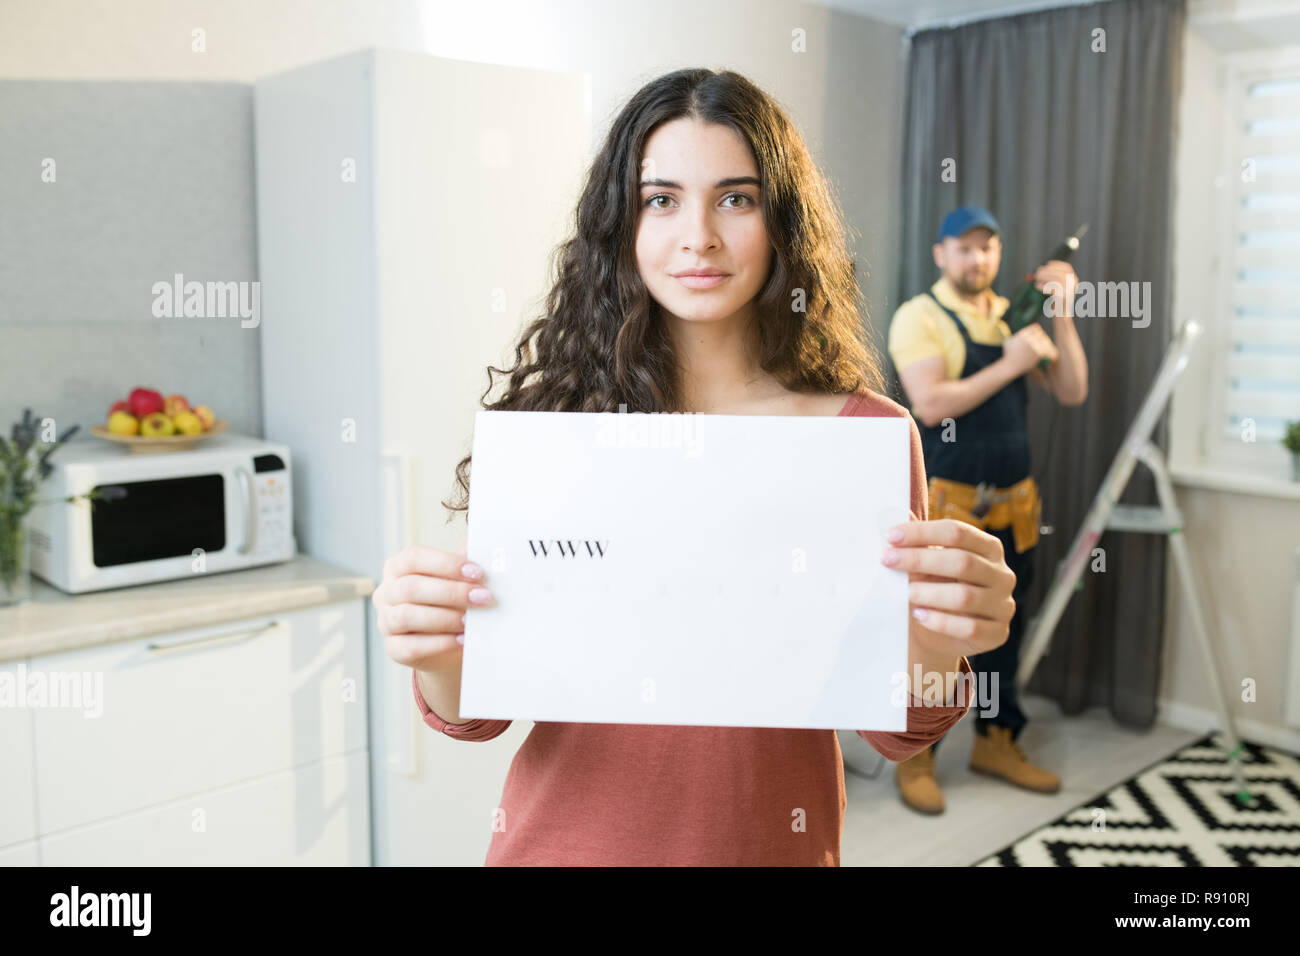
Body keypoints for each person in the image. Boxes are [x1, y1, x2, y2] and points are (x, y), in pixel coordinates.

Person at [373, 71, 1017, 865]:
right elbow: (476, 716)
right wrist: (437, 651)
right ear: (622, 224)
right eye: (661, 199)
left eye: (736, 199)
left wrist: (939, 640)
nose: (699, 236)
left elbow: (898, 729)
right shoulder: (558, 436)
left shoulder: (867, 440)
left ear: (781, 221)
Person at [886, 205, 1088, 815]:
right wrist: (1011, 364)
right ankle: (915, 756)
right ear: (940, 254)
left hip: (1014, 510)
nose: (978, 258)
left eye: (988, 248)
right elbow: (930, 404)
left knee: (1004, 633)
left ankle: (996, 743)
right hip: (950, 508)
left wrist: (1063, 318)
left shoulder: (1012, 316)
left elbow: (1073, 391)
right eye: (966, 247)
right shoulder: (919, 316)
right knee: (934, 634)